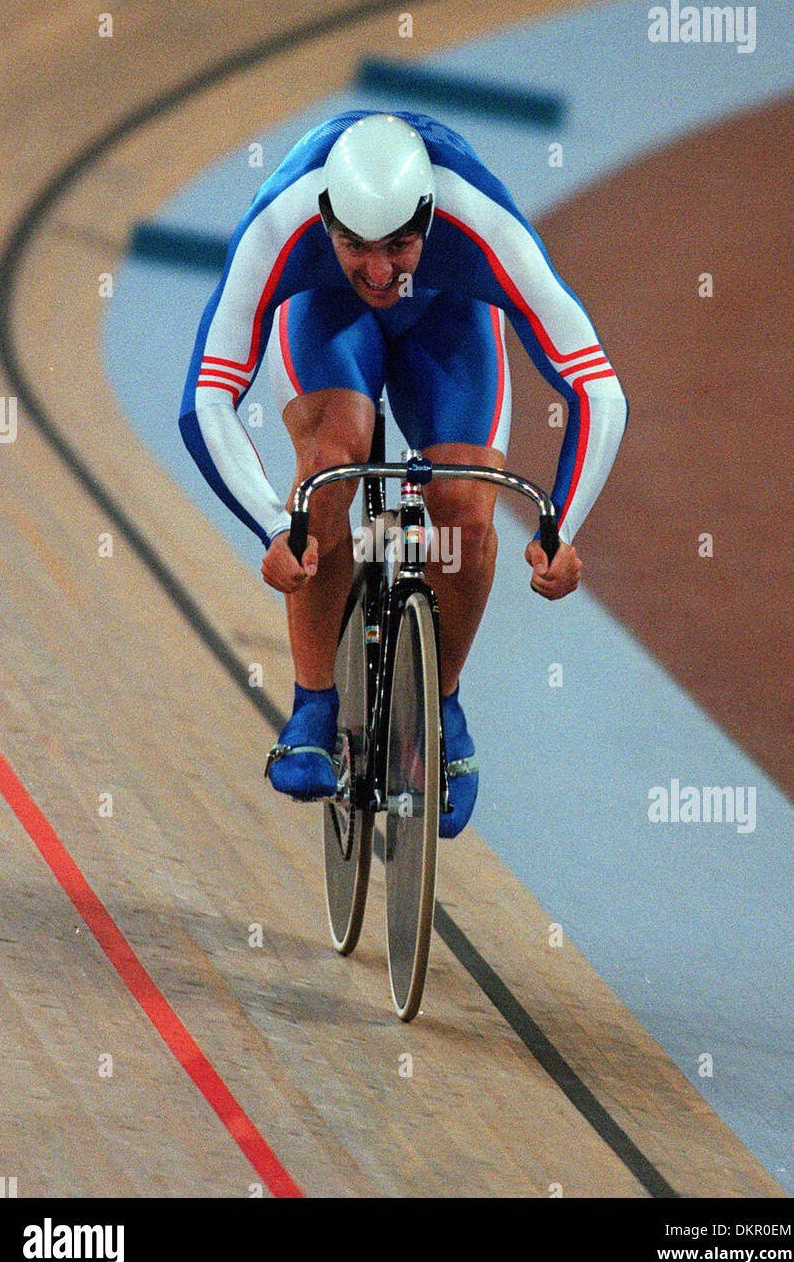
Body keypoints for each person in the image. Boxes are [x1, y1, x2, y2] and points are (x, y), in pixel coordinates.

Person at [180, 112, 627, 835]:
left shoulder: (480, 219)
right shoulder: (281, 223)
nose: (381, 271)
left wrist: (561, 527)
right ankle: (313, 707)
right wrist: (272, 523)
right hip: (326, 315)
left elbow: (595, 386)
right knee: (332, 463)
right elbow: (207, 395)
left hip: (446, 316)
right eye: (356, 245)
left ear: (430, 216)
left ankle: (440, 706)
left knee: (465, 505)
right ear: (325, 219)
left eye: (400, 244)